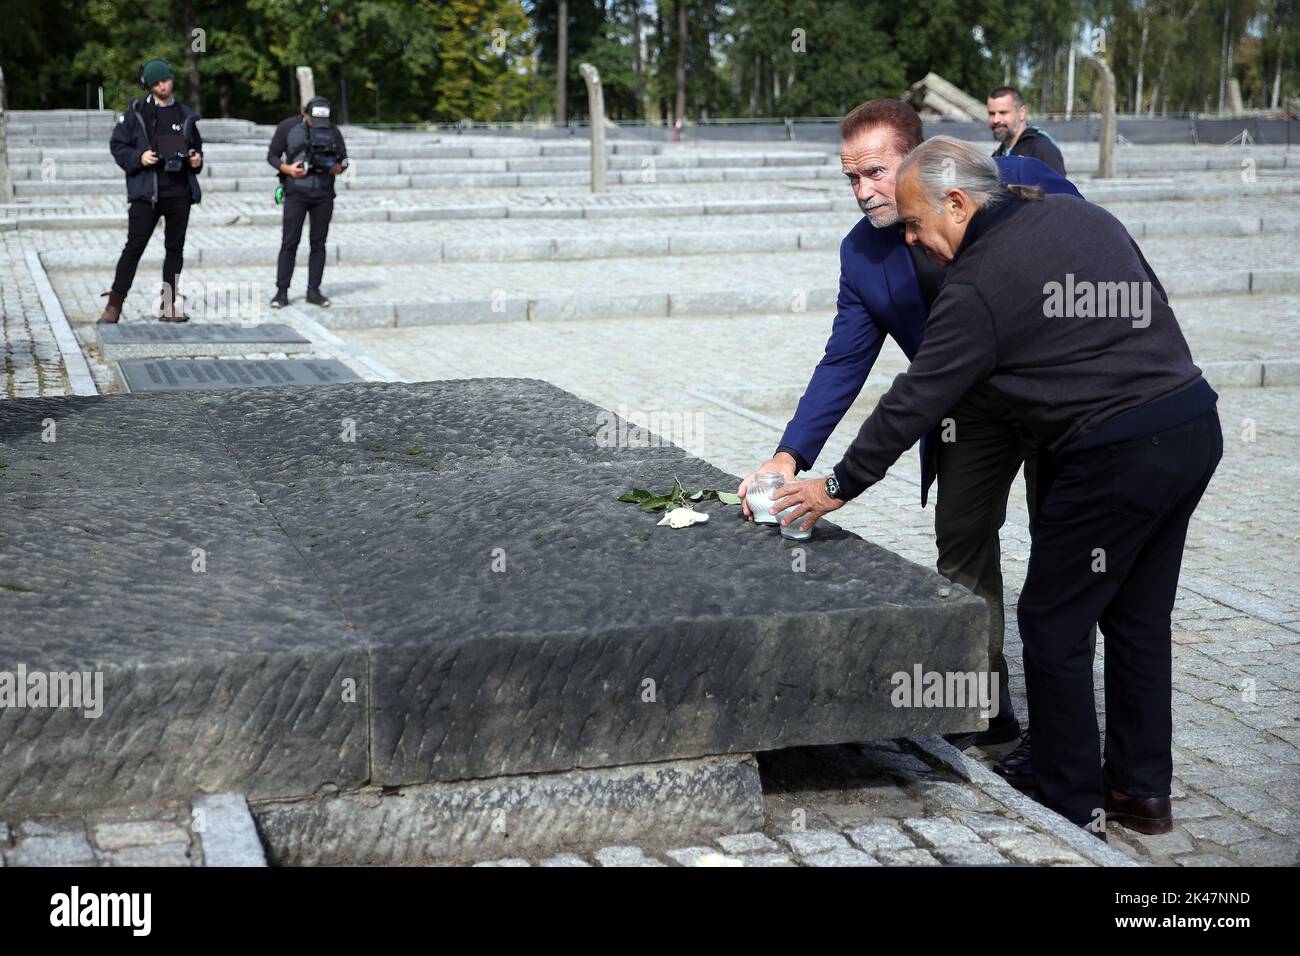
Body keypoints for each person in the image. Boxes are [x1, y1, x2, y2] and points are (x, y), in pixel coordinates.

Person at [771, 137, 1221, 835]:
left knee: (1051, 622)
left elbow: (915, 398)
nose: (915, 242)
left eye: (918, 225)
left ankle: (1071, 798)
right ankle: (1141, 793)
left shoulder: (977, 281)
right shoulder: (1085, 219)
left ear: (958, 202)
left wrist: (837, 483)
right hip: (1191, 425)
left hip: (1112, 455)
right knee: (1135, 621)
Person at [736, 100, 1081, 757]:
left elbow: (1078, 231)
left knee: (1063, 548)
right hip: (962, 410)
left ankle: (1065, 737)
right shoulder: (863, 254)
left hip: (1046, 391)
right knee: (961, 547)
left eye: (877, 173)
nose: (864, 192)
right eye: (852, 179)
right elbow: (844, 361)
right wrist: (789, 454)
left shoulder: (1006, 183)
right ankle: (984, 718)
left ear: (920, 160)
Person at [100, 59, 204, 323]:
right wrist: (139, 157)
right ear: (149, 85)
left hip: (179, 192)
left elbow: (196, 148)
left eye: (166, 80)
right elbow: (118, 146)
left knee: (175, 250)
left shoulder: (185, 115)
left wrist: (196, 160)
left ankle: (168, 305)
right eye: (157, 82)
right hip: (146, 193)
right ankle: (114, 305)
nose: (163, 86)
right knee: (133, 248)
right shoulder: (136, 113)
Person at [267, 96, 349, 308]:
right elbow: (272, 156)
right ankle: (281, 292)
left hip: (324, 194)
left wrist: (337, 167)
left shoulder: (333, 131)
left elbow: (344, 160)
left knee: (318, 243)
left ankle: (314, 290)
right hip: (296, 193)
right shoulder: (288, 127)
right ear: (304, 115)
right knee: (289, 242)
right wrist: (287, 169)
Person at [988, 86, 1066, 176]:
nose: (996, 120)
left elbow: (1060, 189)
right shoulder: (998, 154)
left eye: (1003, 113)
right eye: (991, 114)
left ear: (1022, 113)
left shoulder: (1041, 147)